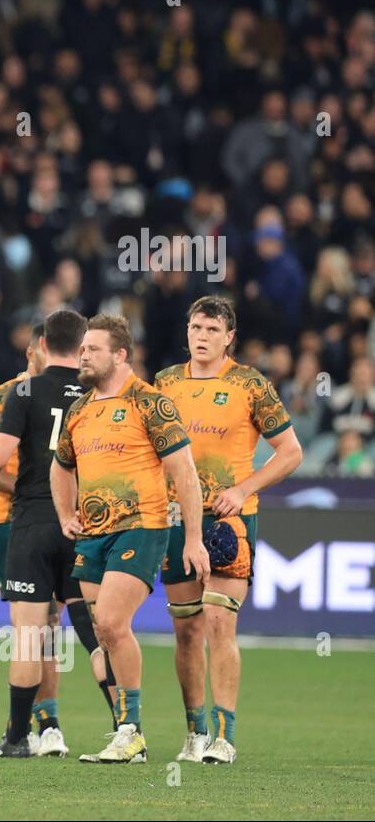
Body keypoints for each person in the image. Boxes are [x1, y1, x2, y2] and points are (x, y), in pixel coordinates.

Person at [50, 315, 210, 764]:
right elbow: (61, 466)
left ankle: (131, 731)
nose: (83, 355)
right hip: (93, 536)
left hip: (142, 525)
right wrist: (66, 513)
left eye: (93, 349)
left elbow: (184, 471)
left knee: (113, 624)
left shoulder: (149, 402)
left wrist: (193, 539)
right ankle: (130, 734)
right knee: (103, 632)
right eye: (81, 349)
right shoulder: (80, 409)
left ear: (120, 355)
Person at [154, 297, 301, 764]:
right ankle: (194, 732)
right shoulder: (165, 383)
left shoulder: (250, 385)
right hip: (176, 519)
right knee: (185, 631)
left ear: (229, 337)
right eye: (196, 327)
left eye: (212, 330)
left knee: (219, 622)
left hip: (229, 520)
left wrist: (244, 488)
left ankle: (224, 736)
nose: (201, 336)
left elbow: (291, 451)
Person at [0, 310, 107, 758]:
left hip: (29, 520)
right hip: (84, 521)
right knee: (96, 630)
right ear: (83, 347)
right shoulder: (98, 393)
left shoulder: (22, 392)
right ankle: (127, 727)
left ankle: (19, 736)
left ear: (42, 345)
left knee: (31, 632)